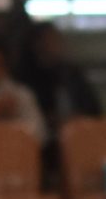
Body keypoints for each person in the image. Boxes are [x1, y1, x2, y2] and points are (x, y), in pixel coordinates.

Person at [16, 20, 101, 160]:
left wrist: (79, 118)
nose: (56, 44)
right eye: (50, 39)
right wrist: (52, 119)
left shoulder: (71, 72)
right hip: (45, 142)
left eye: (56, 38)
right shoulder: (24, 76)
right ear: (36, 43)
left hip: (80, 135)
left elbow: (93, 108)